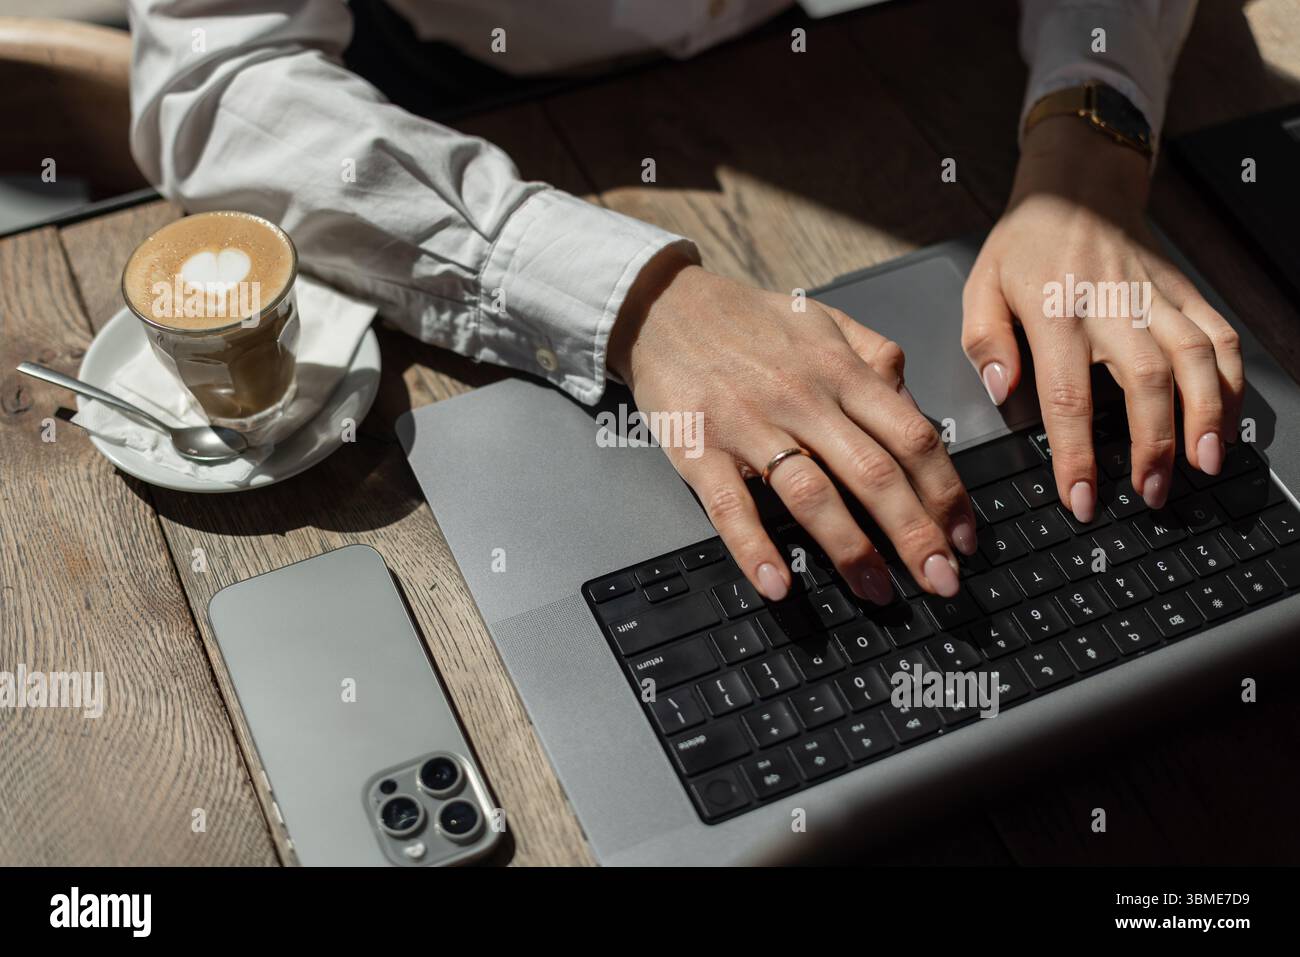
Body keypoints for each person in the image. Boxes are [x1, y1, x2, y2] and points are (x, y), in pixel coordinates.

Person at [127, 0, 1241, 607]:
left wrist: (1088, 143)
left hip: (888, 56)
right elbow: (217, 81)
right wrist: (634, 298)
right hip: (460, 111)